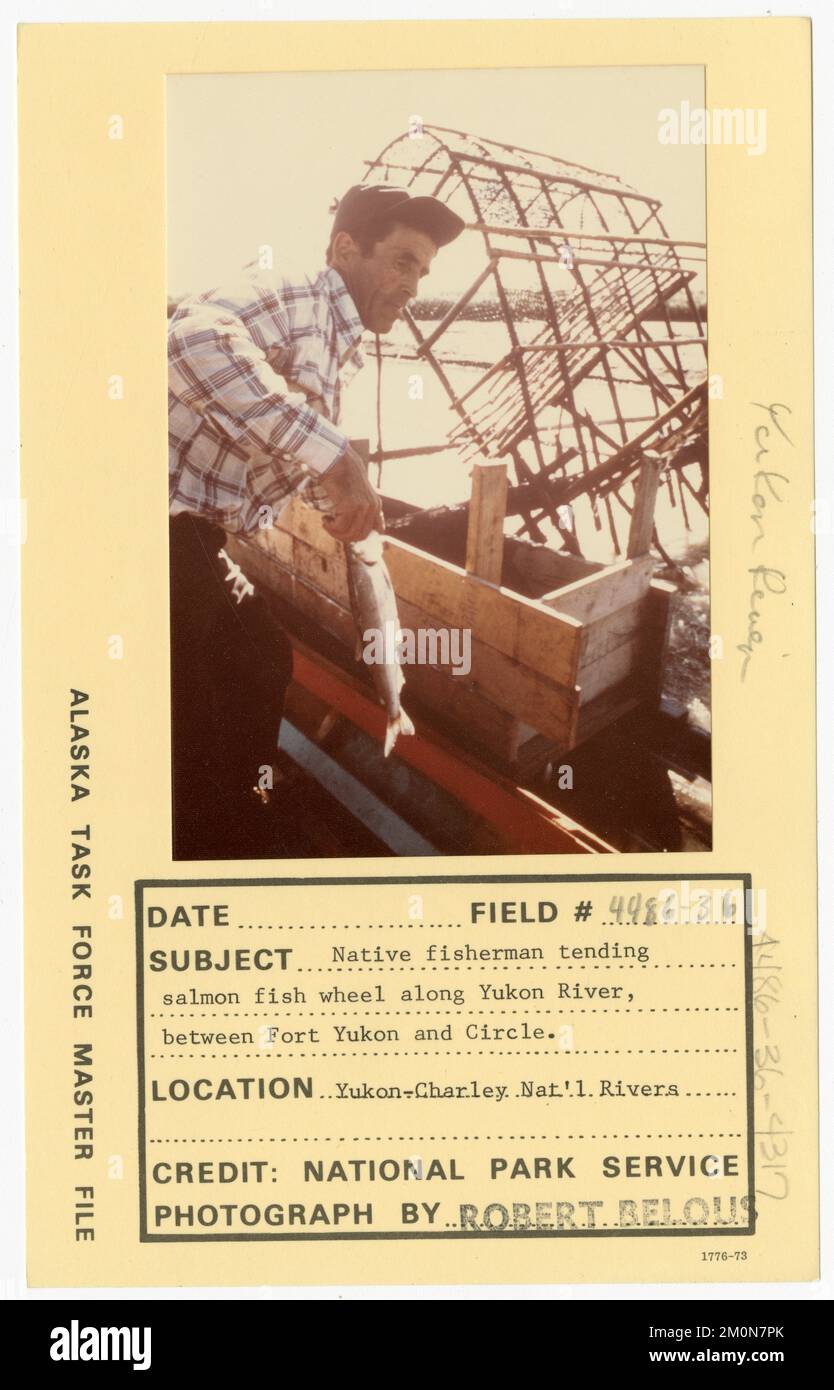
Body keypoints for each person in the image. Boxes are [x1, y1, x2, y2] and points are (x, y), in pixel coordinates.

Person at [167, 183, 465, 858]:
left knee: (262, 656)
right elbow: (190, 343)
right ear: (344, 249)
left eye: (422, 270)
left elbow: (268, 430)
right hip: (153, 525)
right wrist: (333, 456)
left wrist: (326, 494)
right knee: (202, 696)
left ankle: (235, 806)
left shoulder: (338, 341)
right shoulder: (297, 291)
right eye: (402, 261)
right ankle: (206, 841)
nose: (413, 284)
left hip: (198, 532)